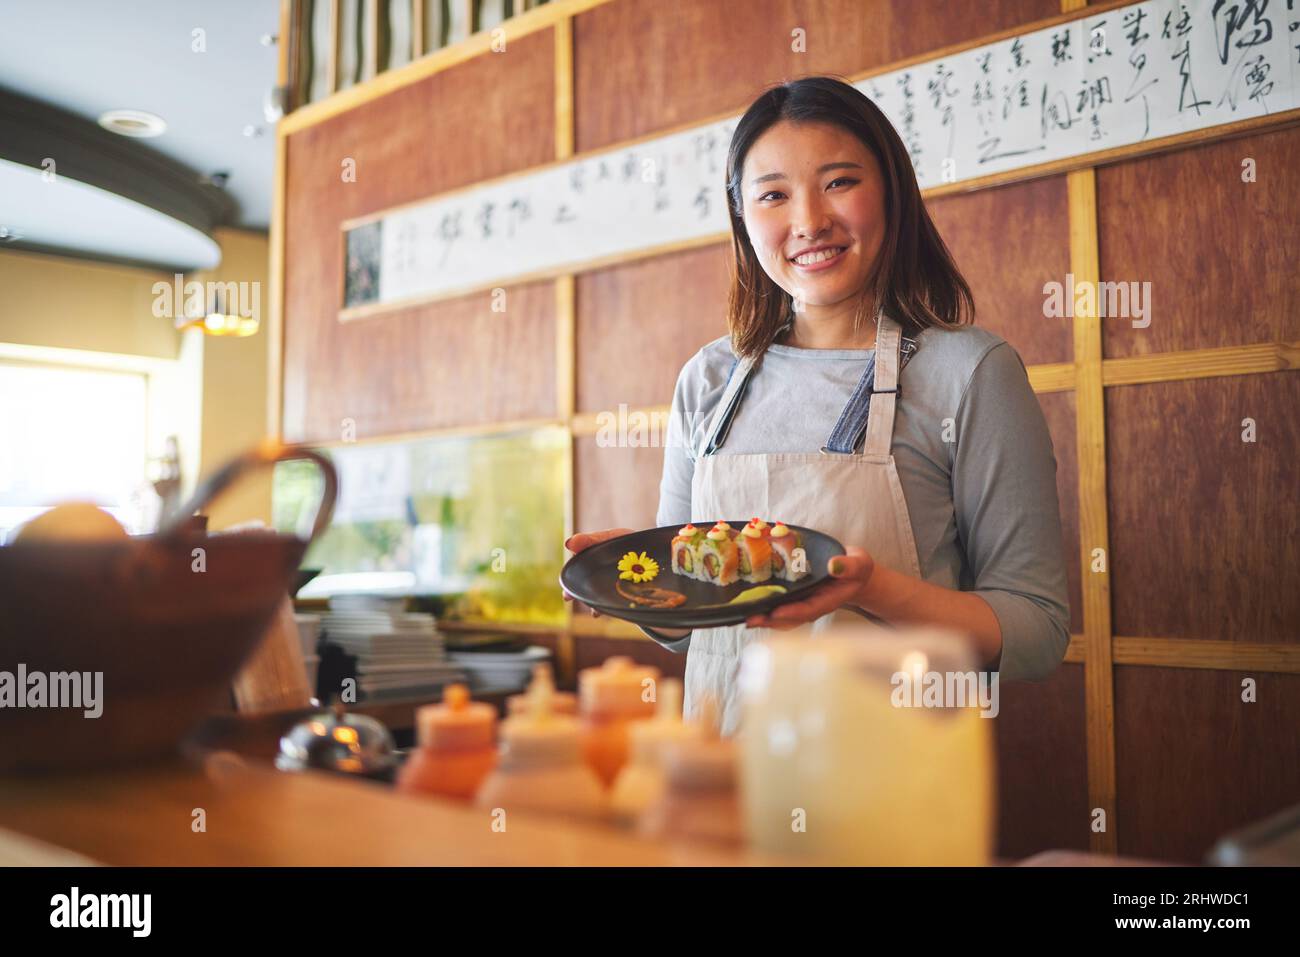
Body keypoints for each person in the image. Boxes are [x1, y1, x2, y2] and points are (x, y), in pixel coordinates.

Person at [564, 76, 1069, 735]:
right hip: (720, 785)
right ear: (742, 217)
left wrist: (869, 589)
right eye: (773, 194)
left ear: (890, 189)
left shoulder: (971, 373)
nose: (808, 222)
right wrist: (633, 590)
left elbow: (1036, 629)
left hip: (887, 794)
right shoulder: (707, 380)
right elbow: (690, 634)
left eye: (838, 182)